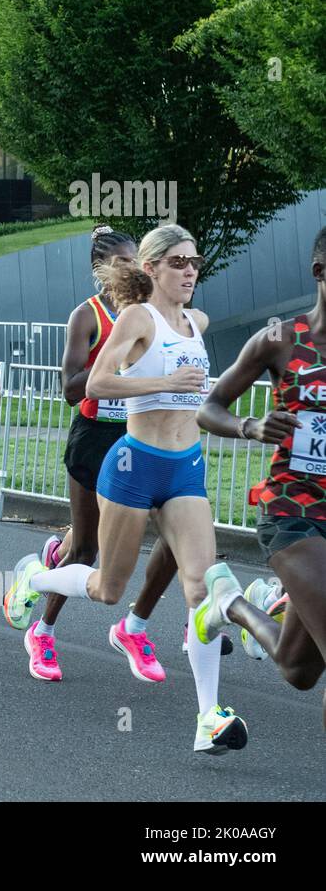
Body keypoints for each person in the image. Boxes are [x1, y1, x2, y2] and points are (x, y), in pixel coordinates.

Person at [5, 225, 246, 754]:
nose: (189, 271)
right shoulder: (138, 318)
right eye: (178, 262)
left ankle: (209, 716)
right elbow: (94, 384)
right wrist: (162, 383)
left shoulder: (196, 322)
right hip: (134, 463)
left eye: (195, 262)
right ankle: (35, 576)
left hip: (185, 467)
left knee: (200, 587)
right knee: (106, 587)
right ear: (152, 268)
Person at [12, 227, 184, 682]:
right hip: (94, 437)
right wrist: (110, 357)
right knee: (89, 549)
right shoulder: (86, 317)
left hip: (139, 440)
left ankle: (138, 626)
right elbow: (70, 390)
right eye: (127, 262)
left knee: (175, 533)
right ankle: (42, 631)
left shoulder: (153, 314)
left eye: (140, 261)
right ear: (102, 271)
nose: (137, 270)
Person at [191, 227, 326, 728]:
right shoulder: (279, 340)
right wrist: (251, 425)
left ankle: (231, 603)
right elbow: (209, 408)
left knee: (300, 669)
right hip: (294, 511)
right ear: (320, 273)